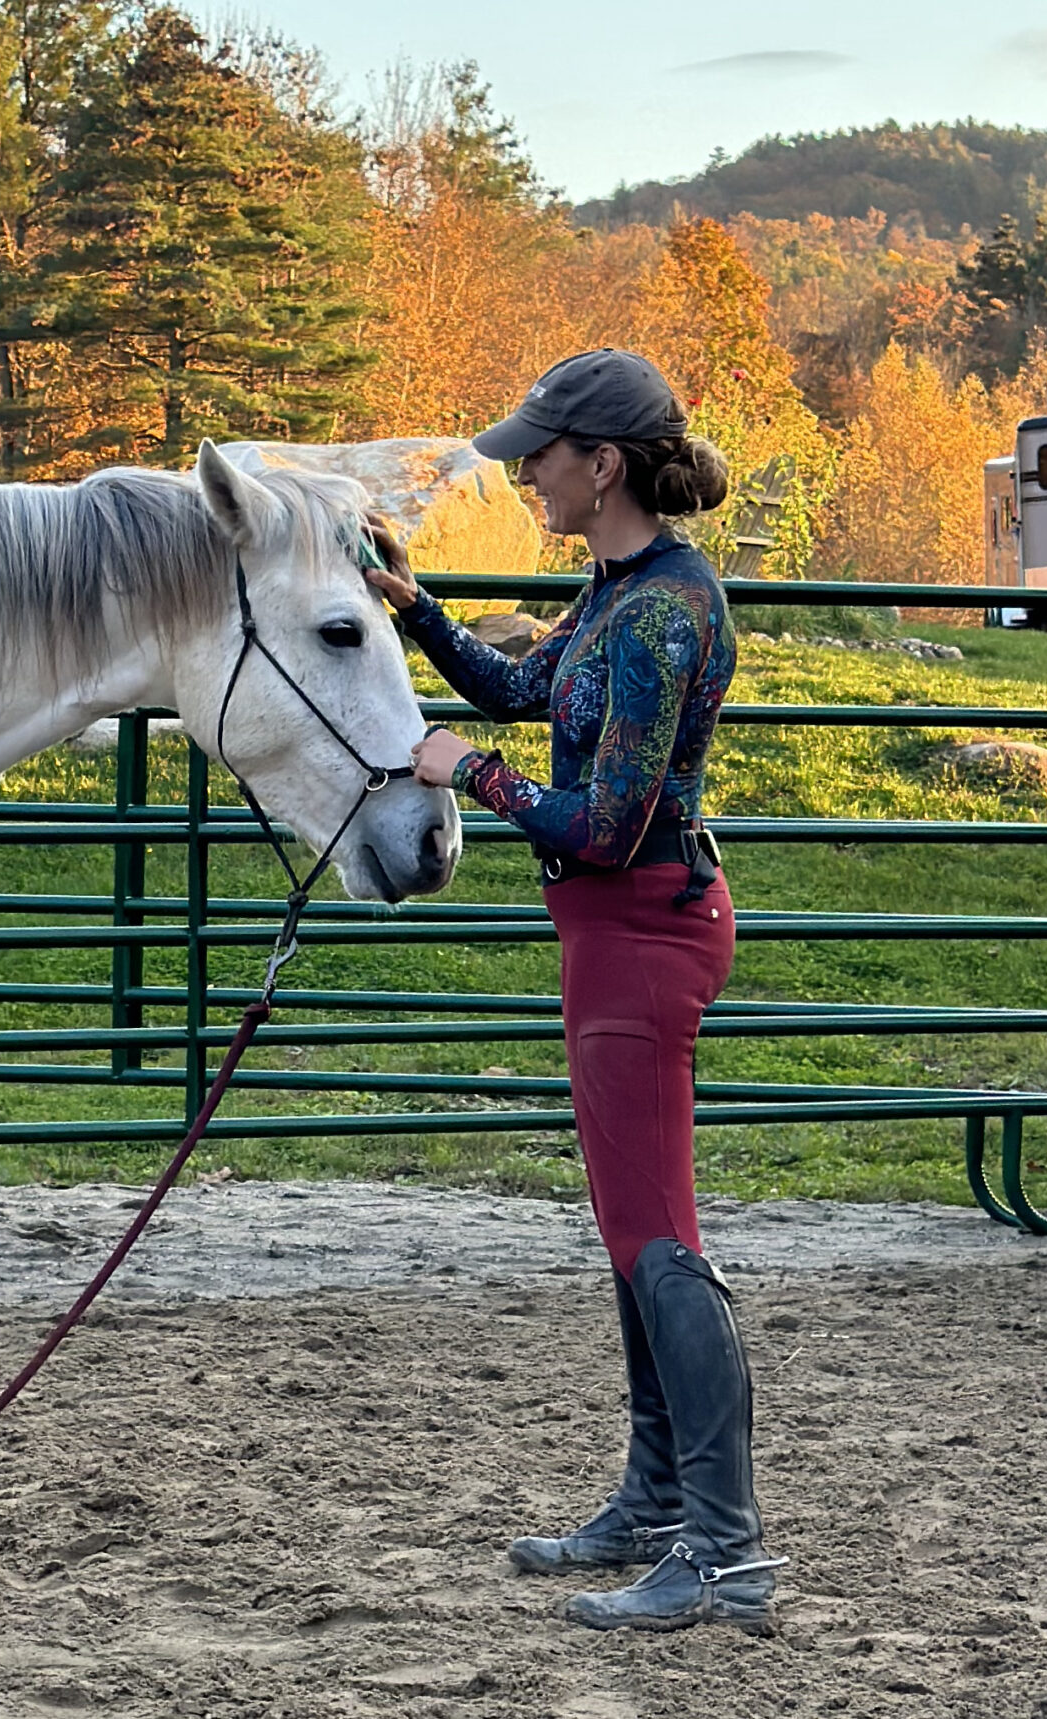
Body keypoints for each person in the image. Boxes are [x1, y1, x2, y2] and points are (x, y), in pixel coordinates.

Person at [359, 349, 780, 1633]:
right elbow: (522, 684)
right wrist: (416, 612)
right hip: (614, 935)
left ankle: (727, 1553)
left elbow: (602, 822)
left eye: (541, 452)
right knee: (629, 1237)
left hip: (639, 928)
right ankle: (658, 1503)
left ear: (604, 464)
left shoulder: (662, 614)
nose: (523, 469)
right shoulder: (617, 591)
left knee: (659, 1241)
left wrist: (468, 773)